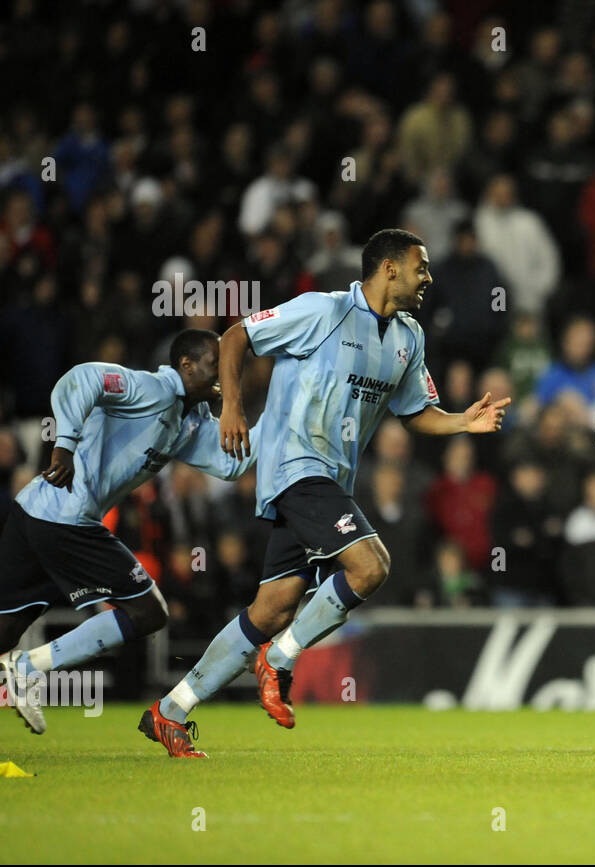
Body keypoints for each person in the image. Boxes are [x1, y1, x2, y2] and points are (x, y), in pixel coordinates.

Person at [140, 229, 509, 758]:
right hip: (295, 467)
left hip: (331, 482)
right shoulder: (322, 310)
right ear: (388, 269)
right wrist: (232, 407)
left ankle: (169, 711)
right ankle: (281, 660)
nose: (428, 278)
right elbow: (238, 335)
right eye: (420, 267)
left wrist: (461, 424)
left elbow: (413, 412)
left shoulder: (409, 337)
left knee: (272, 608)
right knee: (370, 565)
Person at [0, 330, 258, 734]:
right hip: (67, 518)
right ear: (186, 365)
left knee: (4, 629)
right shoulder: (149, 388)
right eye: (215, 363)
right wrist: (64, 443)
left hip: (35, 512)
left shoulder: (188, 422)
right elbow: (81, 379)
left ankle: (23, 664)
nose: (222, 372)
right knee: (148, 611)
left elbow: (232, 464)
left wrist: (275, 416)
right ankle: (29, 666)